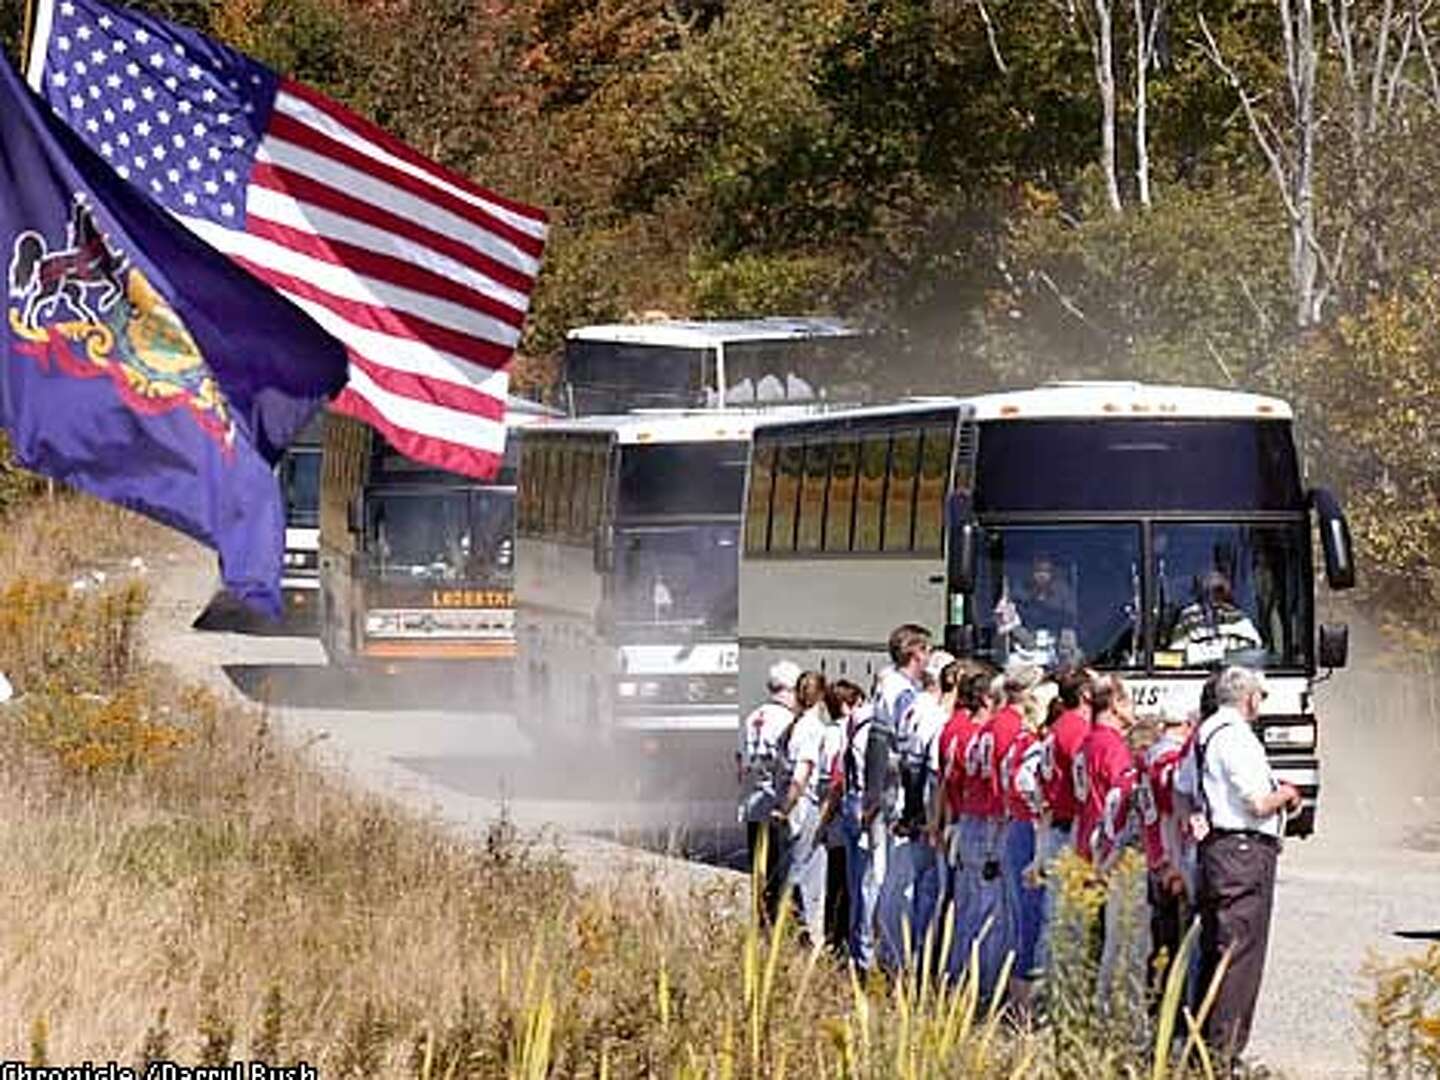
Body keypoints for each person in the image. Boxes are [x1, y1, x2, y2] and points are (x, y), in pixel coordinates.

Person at [1174, 666, 1303, 1063]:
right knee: (1240, 954)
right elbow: (1256, 802)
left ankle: (1203, 1046)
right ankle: (1221, 1055)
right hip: (1243, 852)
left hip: (1218, 850)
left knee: (1218, 947)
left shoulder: (1204, 734)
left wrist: (1196, 821)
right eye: (1261, 697)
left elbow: (1181, 789)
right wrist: (1288, 794)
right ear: (1248, 698)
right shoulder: (1235, 737)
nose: (1261, 705)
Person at [849, 624, 932, 972]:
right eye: (926, 651)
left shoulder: (888, 688)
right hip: (898, 795)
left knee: (881, 877)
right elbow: (890, 748)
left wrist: (870, 794)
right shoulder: (903, 694)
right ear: (915, 653)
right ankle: (889, 957)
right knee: (893, 878)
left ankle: (876, 952)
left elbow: (875, 746)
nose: (928, 658)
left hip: (883, 793)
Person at [876, 648, 953, 972]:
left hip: (906, 809)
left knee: (900, 886)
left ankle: (895, 956)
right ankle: (916, 962)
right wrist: (929, 820)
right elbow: (932, 776)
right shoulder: (935, 716)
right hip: (923, 815)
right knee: (926, 891)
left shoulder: (911, 708)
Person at [995, 663, 1047, 1005]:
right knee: (1032, 916)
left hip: (1013, 823)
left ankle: (1017, 999)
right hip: (1029, 828)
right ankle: (1026, 1002)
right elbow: (1028, 788)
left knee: (1018, 916)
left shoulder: (1015, 741)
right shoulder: (1029, 743)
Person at [738, 659, 801, 924]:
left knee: (758, 870)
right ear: (790, 689)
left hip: (753, 803)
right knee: (780, 870)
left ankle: (760, 920)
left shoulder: (752, 717)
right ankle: (776, 925)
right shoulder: (789, 721)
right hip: (777, 804)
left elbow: (740, 761)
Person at [774, 670, 830, 947]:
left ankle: (793, 930)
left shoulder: (793, 726)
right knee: (806, 873)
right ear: (821, 696)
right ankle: (806, 934)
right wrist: (787, 807)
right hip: (804, 805)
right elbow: (802, 773)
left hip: (791, 804)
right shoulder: (812, 729)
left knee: (795, 869)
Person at [820, 680, 865, 956]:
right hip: (841, 813)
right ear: (849, 705)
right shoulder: (847, 734)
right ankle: (842, 939)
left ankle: (832, 935)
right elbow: (838, 779)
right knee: (846, 883)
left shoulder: (827, 733)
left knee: (833, 881)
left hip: (831, 810)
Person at [1168, 570, 1262, 662]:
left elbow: (1255, 651)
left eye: (1219, 590)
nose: (1214, 595)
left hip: (1234, 674)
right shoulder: (1189, 617)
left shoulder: (1239, 618)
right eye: (1209, 590)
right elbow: (1177, 653)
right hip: (1196, 674)